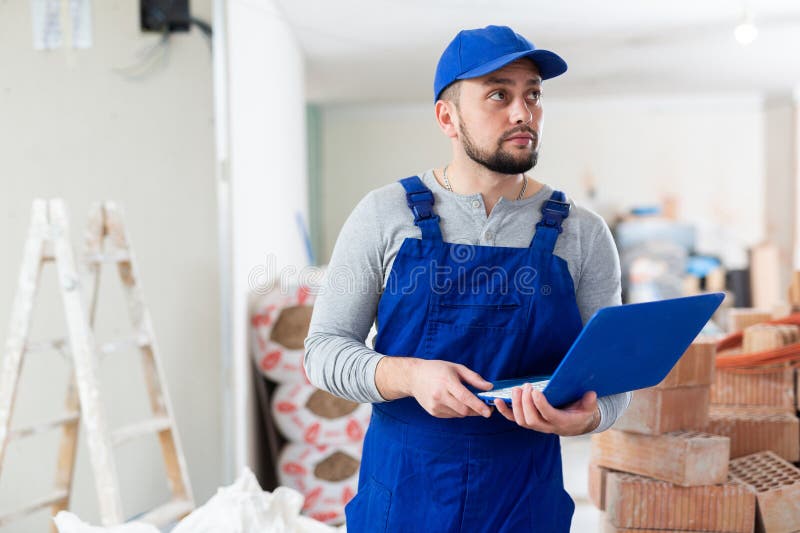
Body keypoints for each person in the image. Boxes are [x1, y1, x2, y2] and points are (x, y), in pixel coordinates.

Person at [304, 25, 630, 532]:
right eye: (499, 94)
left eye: (533, 95)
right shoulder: (384, 215)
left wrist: (586, 419)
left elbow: (611, 385)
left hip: (525, 500)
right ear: (447, 117)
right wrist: (410, 376)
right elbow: (323, 351)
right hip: (405, 495)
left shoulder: (583, 234)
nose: (523, 113)